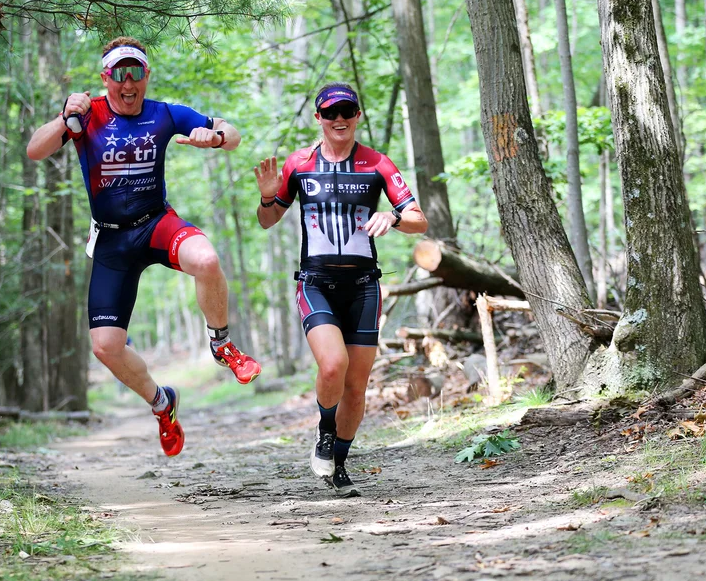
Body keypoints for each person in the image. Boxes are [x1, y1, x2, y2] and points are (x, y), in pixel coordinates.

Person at [27, 36, 261, 459]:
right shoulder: (87, 116)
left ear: (147, 76)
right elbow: (34, 149)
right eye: (120, 74)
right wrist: (65, 119)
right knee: (105, 347)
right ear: (106, 78)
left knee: (207, 259)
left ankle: (222, 343)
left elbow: (233, 132)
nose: (129, 83)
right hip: (113, 241)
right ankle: (161, 402)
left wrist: (217, 137)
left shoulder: (163, 114)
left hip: (156, 224)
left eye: (136, 72)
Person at [253, 82, 428, 496]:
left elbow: (418, 219)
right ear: (318, 118)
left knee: (356, 386)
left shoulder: (376, 164)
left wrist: (394, 217)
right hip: (316, 283)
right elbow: (267, 220)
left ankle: (339, 465)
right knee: (333, 366)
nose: (339, 119)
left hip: (364, 286)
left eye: (347, 111)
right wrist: (266, 198)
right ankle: (325, 432)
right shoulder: (298, 165)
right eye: (331, 113)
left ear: (357, 116)